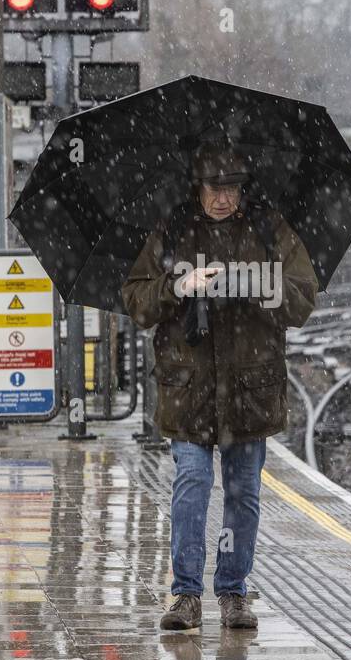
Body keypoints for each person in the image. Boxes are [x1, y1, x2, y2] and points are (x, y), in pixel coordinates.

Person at [121, 141, 318, 630]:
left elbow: (302, 300)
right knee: (191, 485)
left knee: (243, 492)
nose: (223, 199)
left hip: (250, 390)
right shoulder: (170, 231)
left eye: (232, 188)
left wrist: (256, 286)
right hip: (188, 389)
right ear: (198, 186)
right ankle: (185, 594)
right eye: (215, 188)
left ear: (243, 188)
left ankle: (233, 592)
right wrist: (178, 288)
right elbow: (137, 301)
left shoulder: (271, 231)